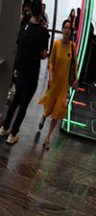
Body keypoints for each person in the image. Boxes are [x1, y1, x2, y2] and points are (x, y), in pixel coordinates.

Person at [0, 0, 49, 144]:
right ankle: (13, 134)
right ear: (41, 11)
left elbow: (18, 48)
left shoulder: (24, 28)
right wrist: (42, 54)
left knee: (15, 101)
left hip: (20, 71)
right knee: (24, 104)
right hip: (32, 73)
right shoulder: (43, 32)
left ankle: (5, 127)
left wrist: (16, 68)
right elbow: (43, 53)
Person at [38, 19, 78, 150]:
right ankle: (43, 118)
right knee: (49, 105)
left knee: (57, 111)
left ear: (71, 31)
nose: (67, 30)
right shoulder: (56, 44)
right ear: (62, 29)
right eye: (65, 28)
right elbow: (51, 62)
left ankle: (48, 137)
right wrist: (50, 76)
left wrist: (75, 79)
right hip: (54, 83)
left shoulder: (73, 47)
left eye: (69, 28)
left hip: (64, 85)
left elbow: (74, 66)